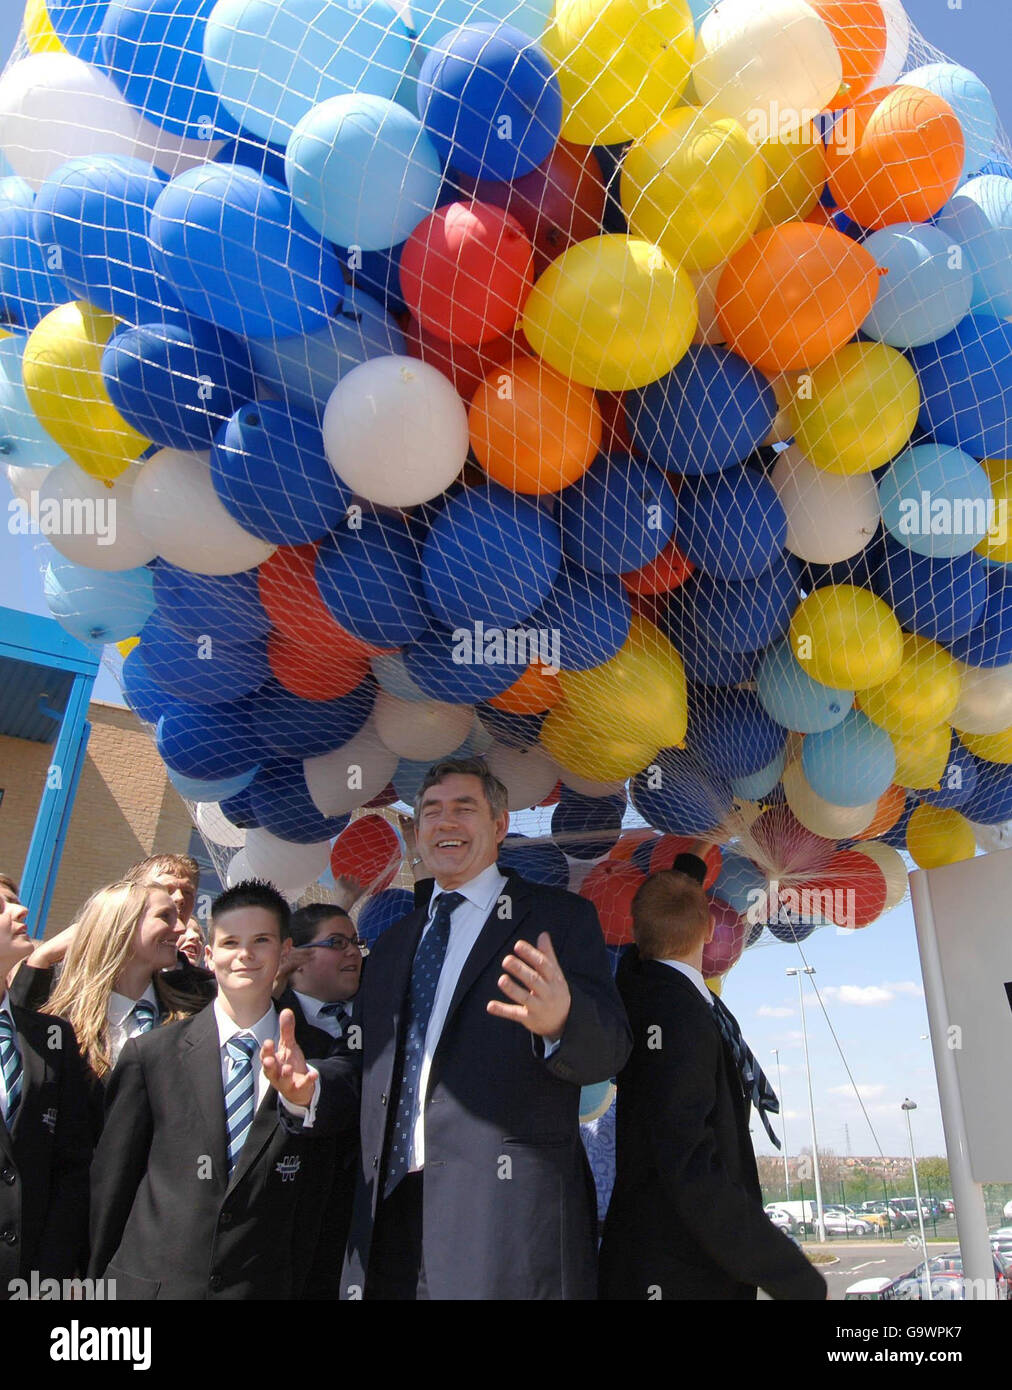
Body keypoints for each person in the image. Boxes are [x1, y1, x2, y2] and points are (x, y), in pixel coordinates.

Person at [263, 755, 632, 1300]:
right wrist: (309, 1090)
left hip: (501, 1232)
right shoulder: (389, 947)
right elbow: (364, 1067)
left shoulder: (556, 920)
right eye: (431, 811)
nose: (446, 822)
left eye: (465, 808)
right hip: (388, 1230)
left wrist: (562, 1023)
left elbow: (611, 1050)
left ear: (500, 825)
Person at [88, 880, 331, 1299]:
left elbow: (319, 1199)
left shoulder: (323, 1060)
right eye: (230, 941)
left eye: (261, 940)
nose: (245, 955)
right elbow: (112, 1187)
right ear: (209, 951)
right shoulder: (152, 1055)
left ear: (285, 950)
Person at [598, 862, 827, 1301]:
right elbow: (692, 1167)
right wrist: (794, 1278)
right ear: (708, 932)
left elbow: (664, 912)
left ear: (637, 931)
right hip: (681, 1269)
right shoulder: (681, 1019)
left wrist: (692, 864)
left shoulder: (638, 983)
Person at [0, 892, 94, 1296]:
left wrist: (50, 1273)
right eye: (0, 906)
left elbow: (72, 1163)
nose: (22, 910)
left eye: (18, 901)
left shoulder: (51, 1037)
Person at [273, 902, 365, 1295]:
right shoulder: (266, 1018)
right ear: (297, 960)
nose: (352, 952)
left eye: (356, 942)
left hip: (353, 1239)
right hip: (279, 1231)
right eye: (337, 942)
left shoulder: (379, 1017)